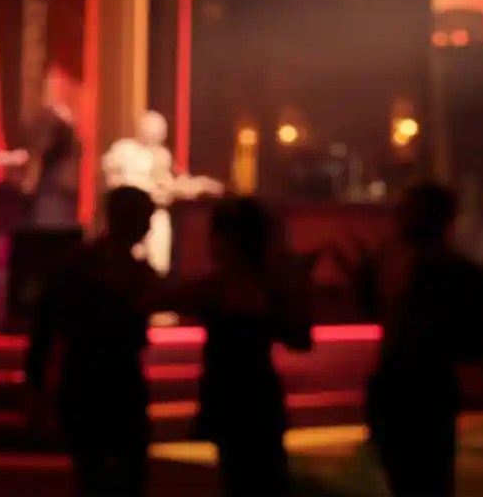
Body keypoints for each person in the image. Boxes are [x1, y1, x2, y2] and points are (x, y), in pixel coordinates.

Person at [359, 182, 483, 497]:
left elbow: (480, 335)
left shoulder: (442, 273)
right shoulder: (450, 271)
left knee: (419, 481)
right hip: (418, 392)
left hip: (418, 392)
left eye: (406, 210)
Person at [165, 197, 311, 496]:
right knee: (262, 476)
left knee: (240, 477)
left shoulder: (216, 288)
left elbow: (159, 298)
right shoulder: (266, 287)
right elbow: (300, 338)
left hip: (231, 397)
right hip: (257, 397)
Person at [25, 186, 160, 497]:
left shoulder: (77, 263)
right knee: (124, 475)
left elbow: (45, 326)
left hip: (84, 380)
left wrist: (36, 381)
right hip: (114, 382)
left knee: (93, 473)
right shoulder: (133, 273)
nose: (149, 227)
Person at [102, 111, 174, 275]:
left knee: (158, 264)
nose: (156, 136)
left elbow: (165, 187)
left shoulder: (162, 155)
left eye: (160, 133)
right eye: (152, 131)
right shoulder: (122, 150)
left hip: (155, 215)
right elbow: (110, 180)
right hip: (128, 214)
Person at [25, 102, 80, 229]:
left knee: (50, 225)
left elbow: (43, 148)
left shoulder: (55, 130)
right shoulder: (69, 131)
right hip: (63, 185)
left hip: (53, 188)